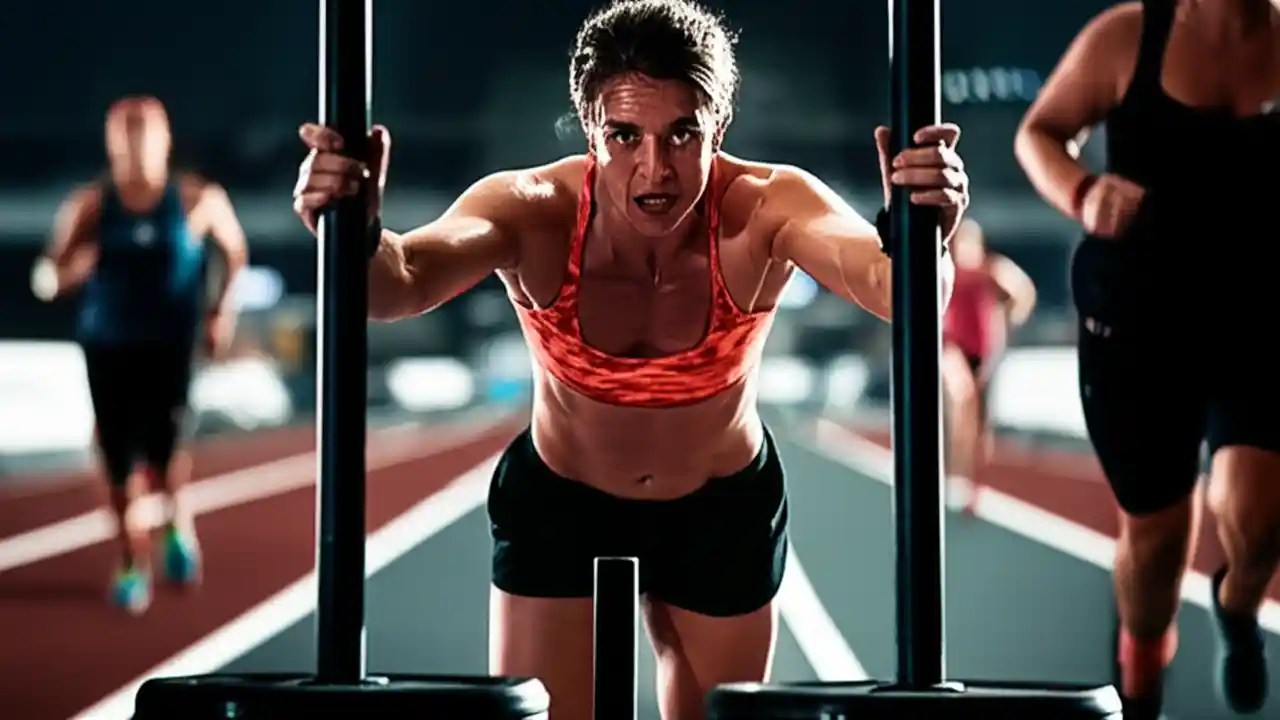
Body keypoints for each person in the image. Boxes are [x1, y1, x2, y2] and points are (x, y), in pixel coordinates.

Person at [292, 1, 969, 717]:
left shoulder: (770, 205)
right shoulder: (531, 208)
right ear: (590, 129)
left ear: (720, 126)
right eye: (624, 136)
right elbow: (395, 283)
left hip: (720, 507)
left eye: (683, 134)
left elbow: (901, 294)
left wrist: (926, 233)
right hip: (562, 501)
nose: (656, 169)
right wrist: (351, 226)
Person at [1015, 0, 1279, 716]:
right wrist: (1082, 190)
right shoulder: (1127, 36)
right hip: (1141, 323)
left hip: (1258, 319)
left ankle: (1238, 605)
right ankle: (1140, 682)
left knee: (1261, 521)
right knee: (1157, 542)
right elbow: (1037, 133)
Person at [30, 94, 248, 615]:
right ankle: (131, 561)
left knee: (166, 453)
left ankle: (175, 517)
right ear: (111, 142)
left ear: (164, 139)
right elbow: (46, 276)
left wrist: (221, 312)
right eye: (123, 132)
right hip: (108, 343)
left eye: (143, 131)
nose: (133, 142)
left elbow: (235, 255)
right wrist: (70, 272)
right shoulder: (89, 204)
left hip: (170, 343)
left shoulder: (197, 199)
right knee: (116, 456)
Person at [940, 218, 1035, 514]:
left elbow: (1023, 292)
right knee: (960, 401)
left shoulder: (991, 270)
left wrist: (1008, 317)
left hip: (984, 352)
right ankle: (950, 476)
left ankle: (973, 487)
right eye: (956, 244)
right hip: (952, 348)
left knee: (980, 424)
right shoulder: (945, 272)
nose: (960, 250)